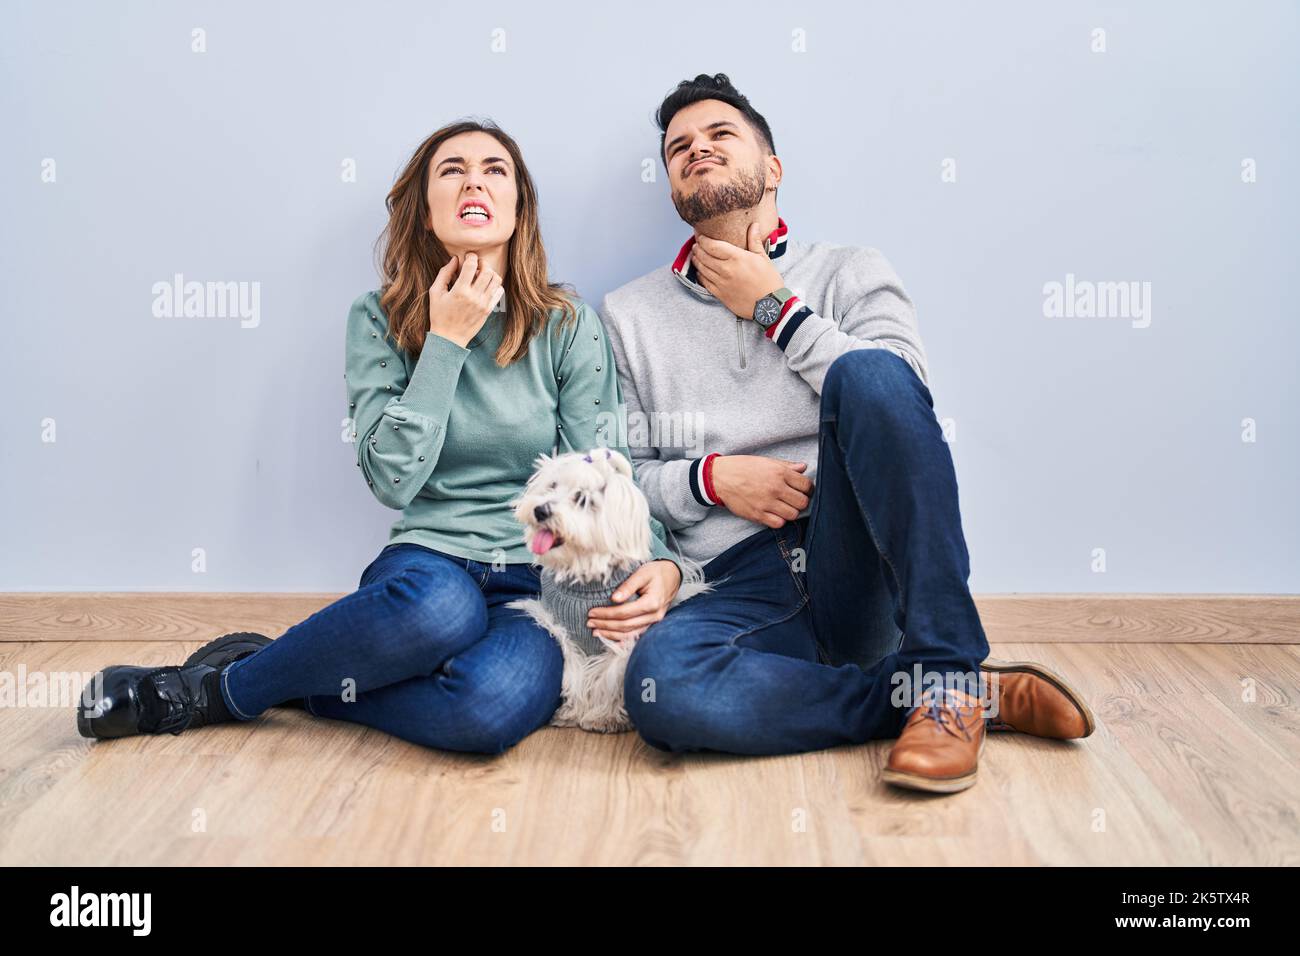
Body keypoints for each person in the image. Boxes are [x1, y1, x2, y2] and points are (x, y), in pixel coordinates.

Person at [77, 119, 685, 753]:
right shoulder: (378, 318)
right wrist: (445, 341)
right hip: (430, 562)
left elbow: (609, 469)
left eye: (494, 170)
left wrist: (663, 559)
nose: (474, 179)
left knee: (486, 711)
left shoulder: (566, 323)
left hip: (536, 583)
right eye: (452, 170)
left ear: (518, 208)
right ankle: (212, 691)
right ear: (426, 212)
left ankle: (297, 674)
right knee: (440, 614)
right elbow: (393, 480)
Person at [592, 74, 1094, 793]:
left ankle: (946, 676)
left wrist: (774, 307)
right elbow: (626, 475)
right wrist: (710, 477)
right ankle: (930, 698)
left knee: (870, 373)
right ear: (673, 185)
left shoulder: (849, 270)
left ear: (773, 168)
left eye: (720, 136)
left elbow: (899, 402)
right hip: (734, 581)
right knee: (662, 690)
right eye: (679, 148)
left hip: (853, 560)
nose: (697, 150)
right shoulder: (628, 313)